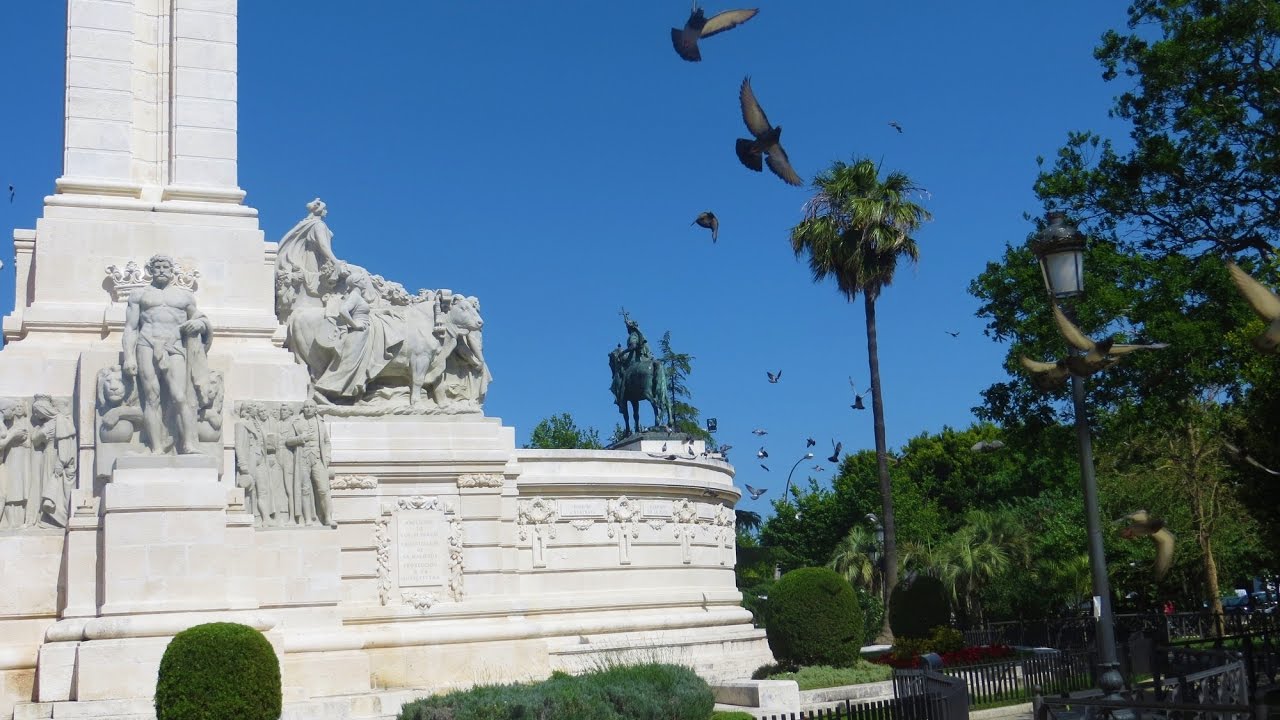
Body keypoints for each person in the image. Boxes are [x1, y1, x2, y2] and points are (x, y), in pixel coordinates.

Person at [122, 255, 212, 455]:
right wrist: (128, 356)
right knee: (151, 397)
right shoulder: (139, 295)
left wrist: (200, 324)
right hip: (146, 344)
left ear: (172, 270)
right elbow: (130, 328)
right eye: (157, 266)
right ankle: (156, 448)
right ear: (150, 270)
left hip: (175, 346)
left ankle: (189, 443)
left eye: (165, 266)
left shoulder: (185, 296)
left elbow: (199, 320)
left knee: (180, 396)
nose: (161, 270)